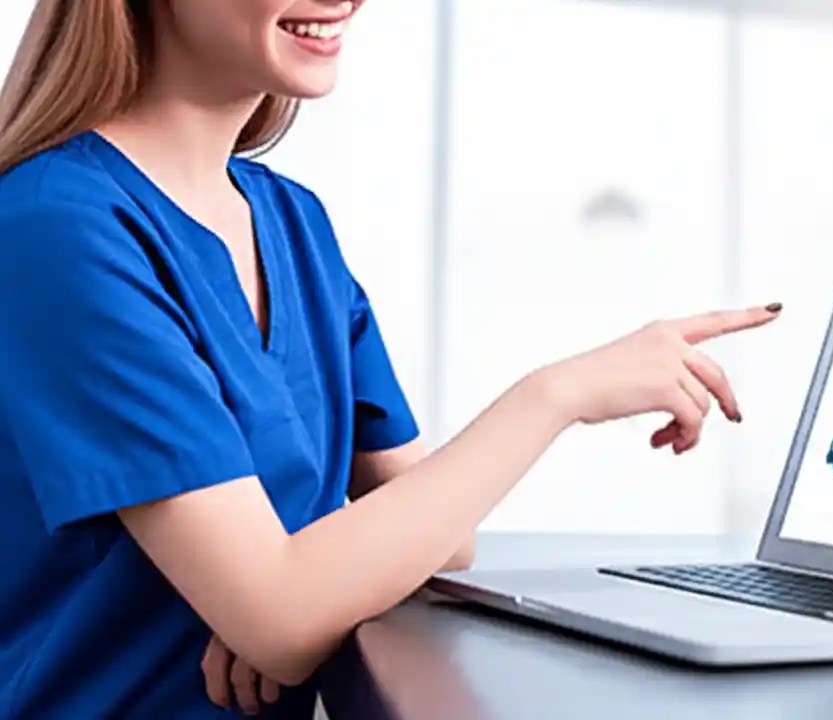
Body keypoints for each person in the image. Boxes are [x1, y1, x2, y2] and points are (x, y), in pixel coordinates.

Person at [0, 1, 780, 717]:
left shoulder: (291, 221)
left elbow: (442, 535)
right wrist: (557, 395)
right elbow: (282, 614)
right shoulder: (57, 229)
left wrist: (307, 584)